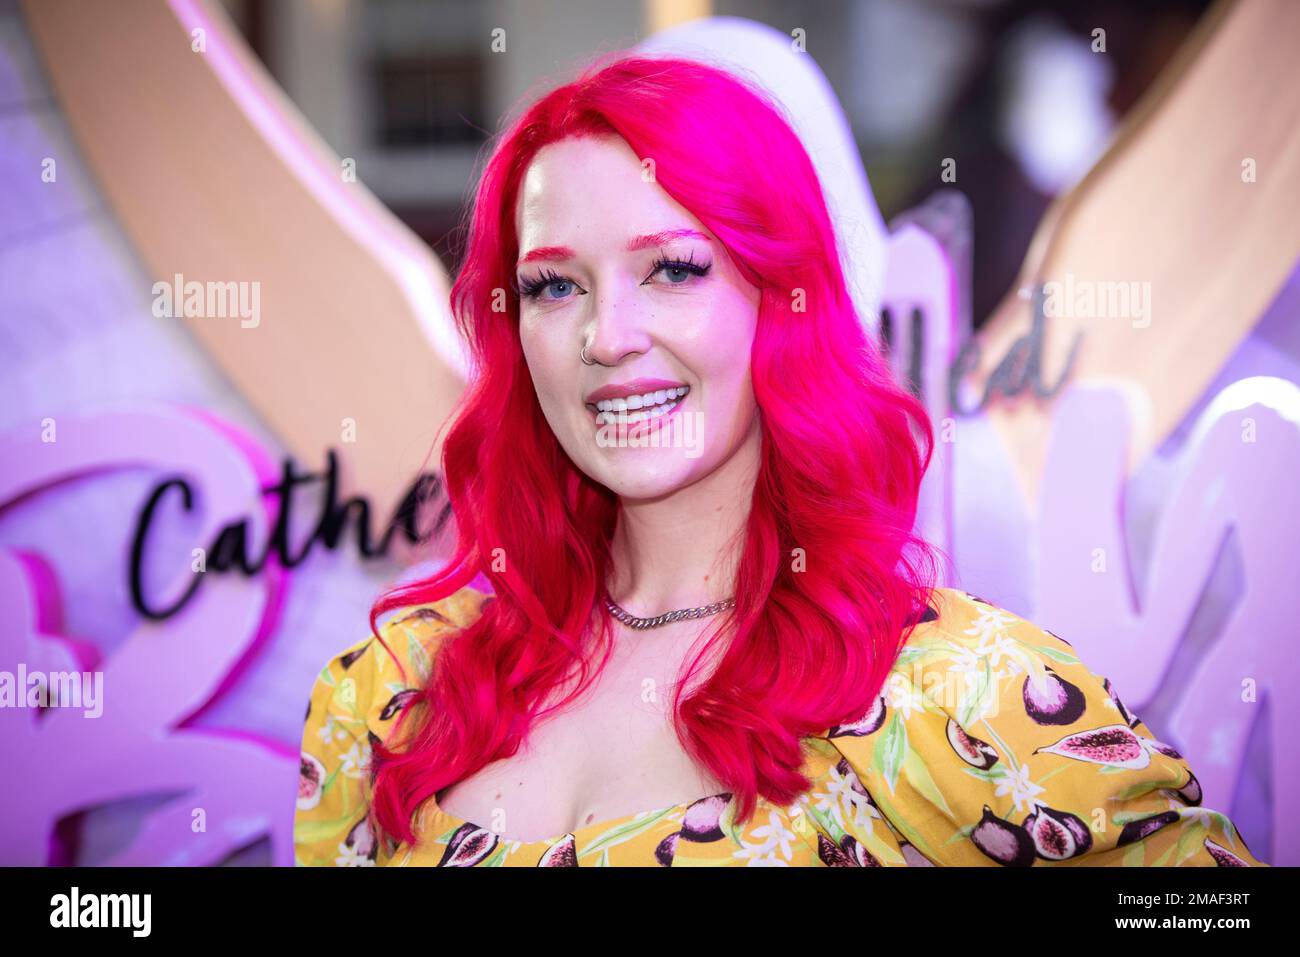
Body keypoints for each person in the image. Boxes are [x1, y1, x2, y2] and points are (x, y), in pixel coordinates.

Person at [293, 53, 1266, 867]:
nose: (607, 334)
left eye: (672, 269)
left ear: (779, 300)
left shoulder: (955, 695)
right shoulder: (390, 689)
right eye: (554, 287)